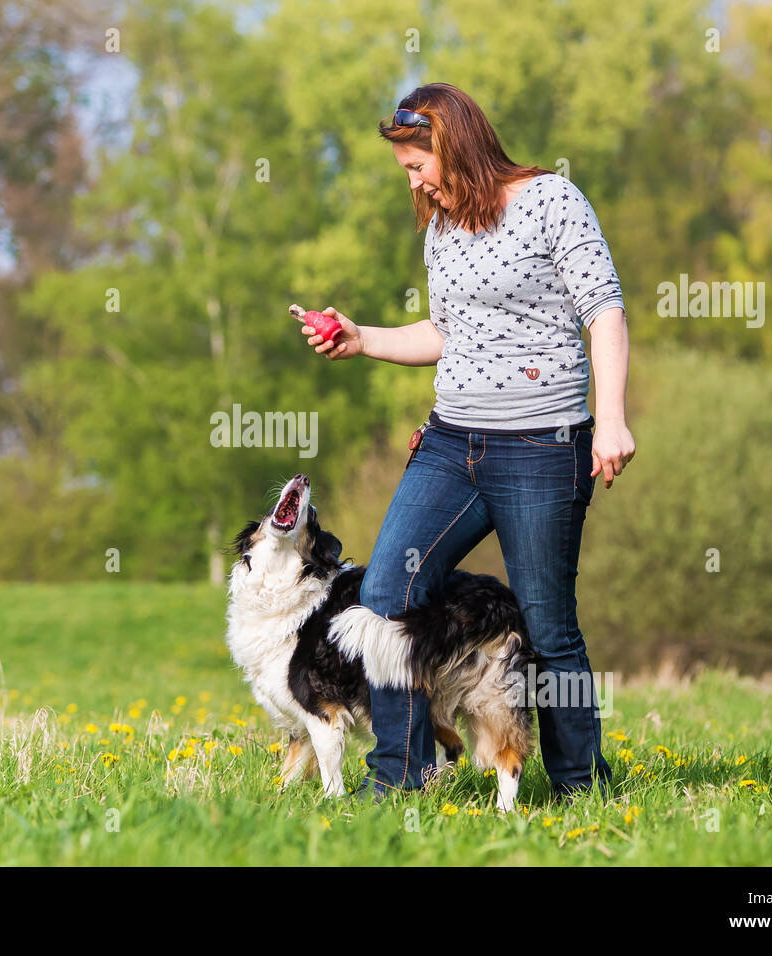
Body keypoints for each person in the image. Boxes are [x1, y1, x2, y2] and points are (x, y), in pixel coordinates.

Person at [293, 83, 634, 805]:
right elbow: (445, 334)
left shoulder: (552, 202)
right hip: (454, 443)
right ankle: (403, 774)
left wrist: (610, 419)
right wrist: (361, 339)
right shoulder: (441, 231)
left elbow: (603, 310)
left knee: (547, 622)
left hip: (543, 444)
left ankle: (582, 790)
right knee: (386, 592)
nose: (413, 181)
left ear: (454, 145)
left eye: (418, 165)